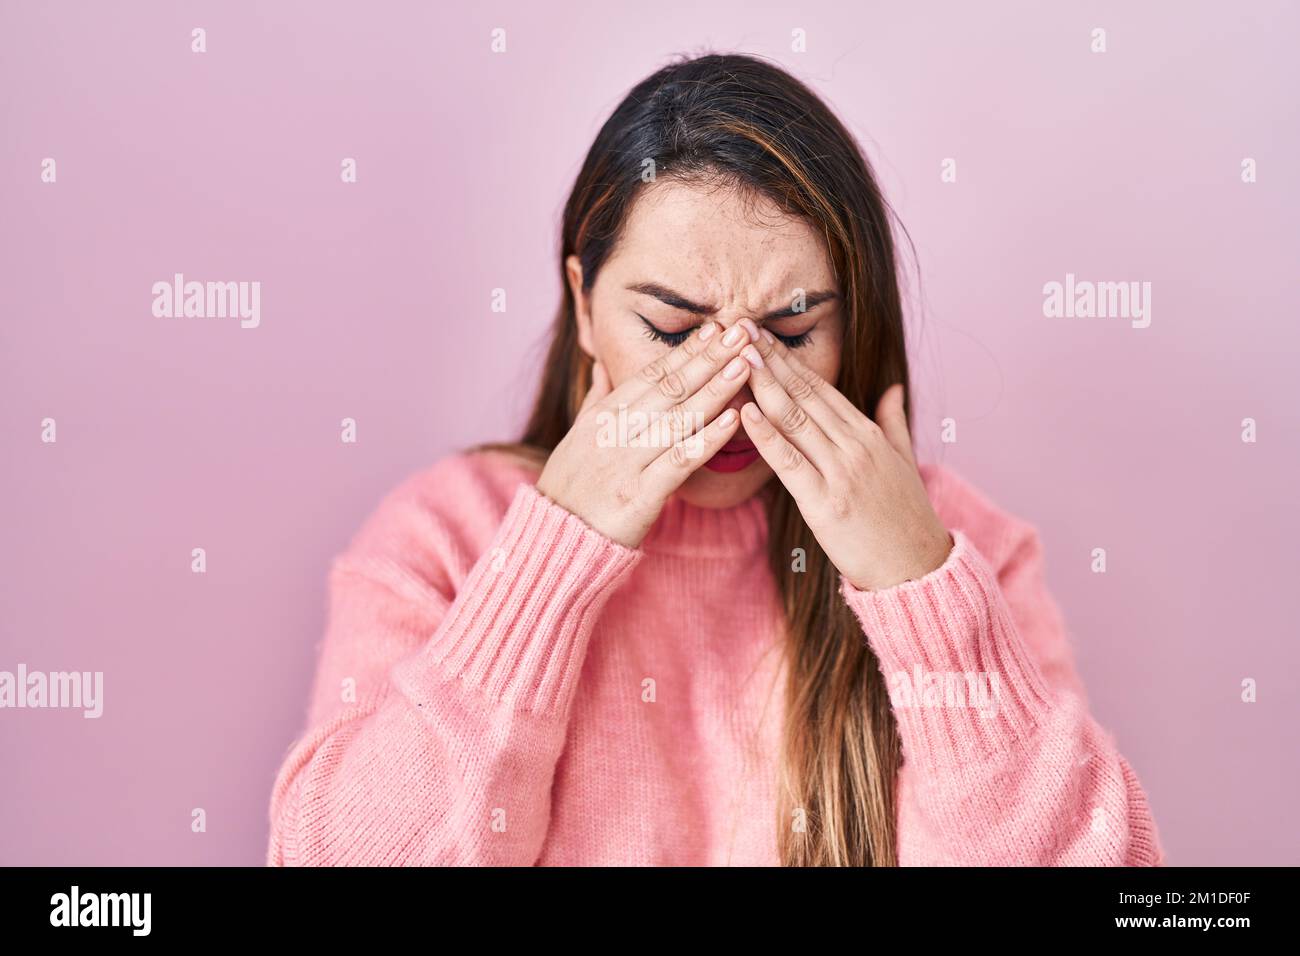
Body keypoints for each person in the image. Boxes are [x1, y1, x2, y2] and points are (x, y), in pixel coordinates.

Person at [267, 53, 1164, 866]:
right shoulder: (441, 537)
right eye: (672, 331)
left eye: (791, 332)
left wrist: (913, 584)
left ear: (855, 324)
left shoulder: (963, 549)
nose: (735, 388)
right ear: (583, 304)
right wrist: (551, 557)